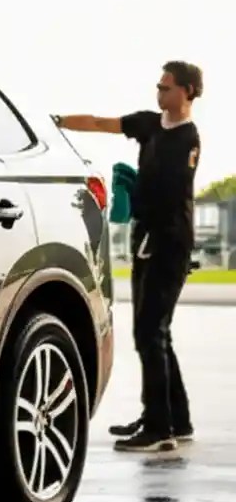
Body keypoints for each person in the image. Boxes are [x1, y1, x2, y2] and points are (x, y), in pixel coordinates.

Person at [53, 60, 202, 453]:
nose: (160, 92)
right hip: (146, 238)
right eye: (158, 85)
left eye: (167, 87)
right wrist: (59, 121)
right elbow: (102, 123)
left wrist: (133, 193)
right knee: (158, 332)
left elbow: (170, 190)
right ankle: (175, 418)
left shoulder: (188, 139)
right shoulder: (149, 125)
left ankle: (158, 430)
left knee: (149, 333)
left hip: (169, 242)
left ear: (187, 91)